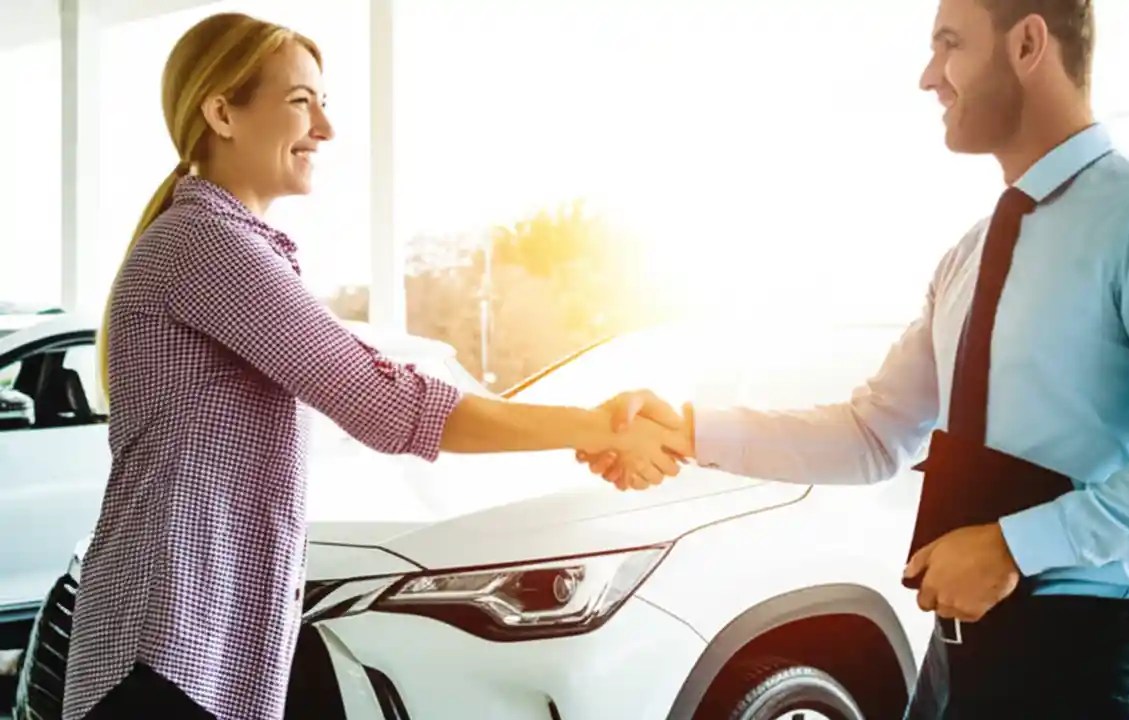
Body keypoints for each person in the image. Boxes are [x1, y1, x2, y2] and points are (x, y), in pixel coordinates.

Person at [581, 0, 1129, 717]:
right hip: (952, 663)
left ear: (1028, 43)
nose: (928, 77)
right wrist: (688, 430)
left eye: (949, 44)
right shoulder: (968, 254)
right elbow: (874, 434)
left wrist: (1013, 546)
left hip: (1080, 672)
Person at [62, 13, 689, 720]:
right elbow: (382, 403)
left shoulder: (225, 246)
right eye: (301, 101)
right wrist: (601, 427)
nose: (324, 129)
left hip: (190, 654)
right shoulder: (206, 245)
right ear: (220, 112)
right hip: (164, 659)